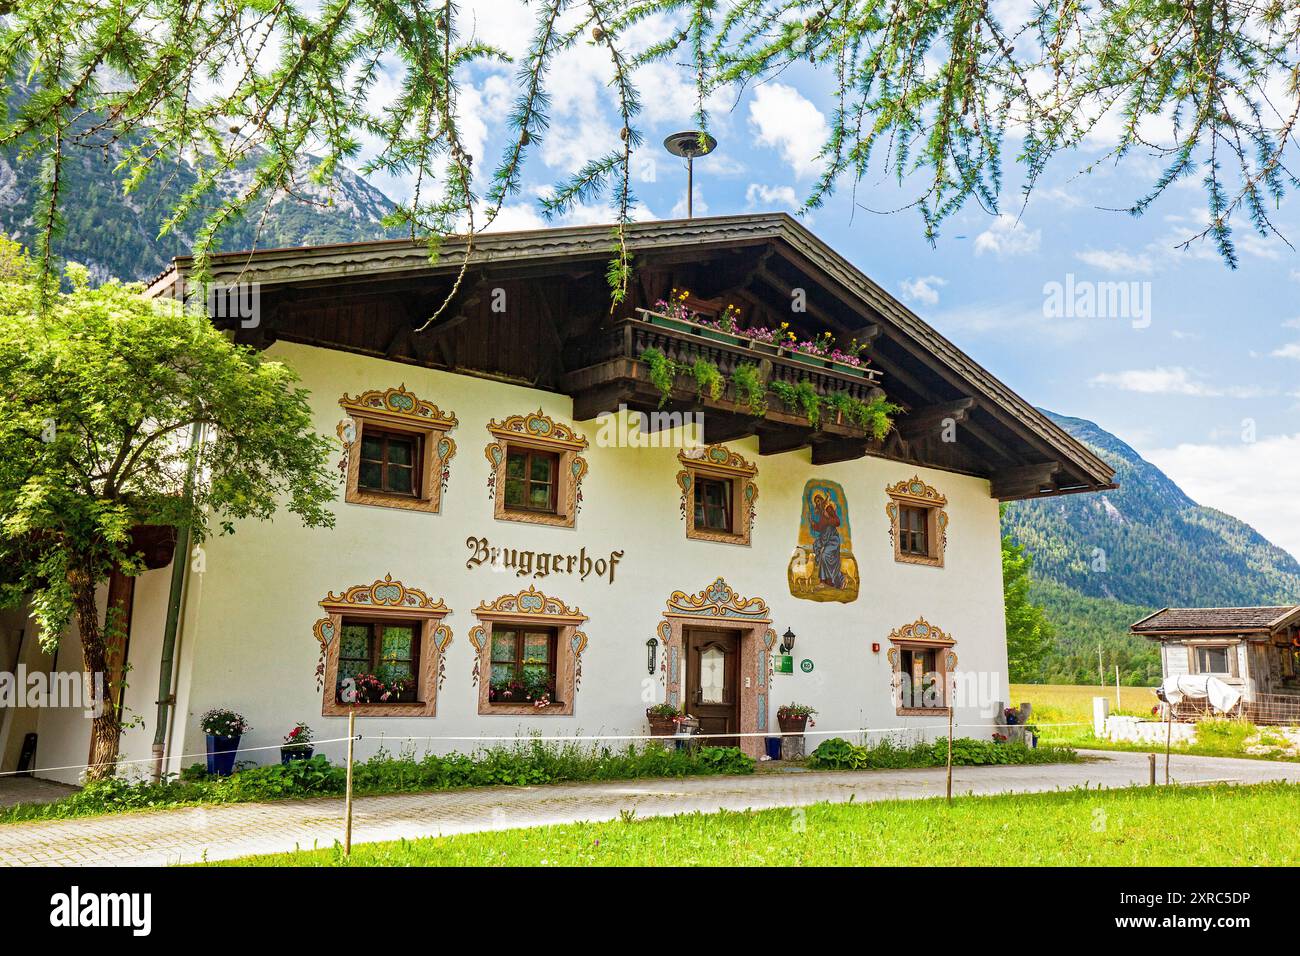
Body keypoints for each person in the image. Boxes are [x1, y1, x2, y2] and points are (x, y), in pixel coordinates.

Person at [809, 491, 845, 589]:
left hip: (833, 539)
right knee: (822, 556)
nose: (818, 503)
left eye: (819, 501)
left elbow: (837, 522)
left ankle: (840, 578)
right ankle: (823, 581)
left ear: (822, 500)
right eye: (816, 502)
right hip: (826, 538)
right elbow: (821, 528)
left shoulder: (828, 509)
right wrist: (814, 525)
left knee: (825, 555)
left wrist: (828, 518)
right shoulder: (821, 514)